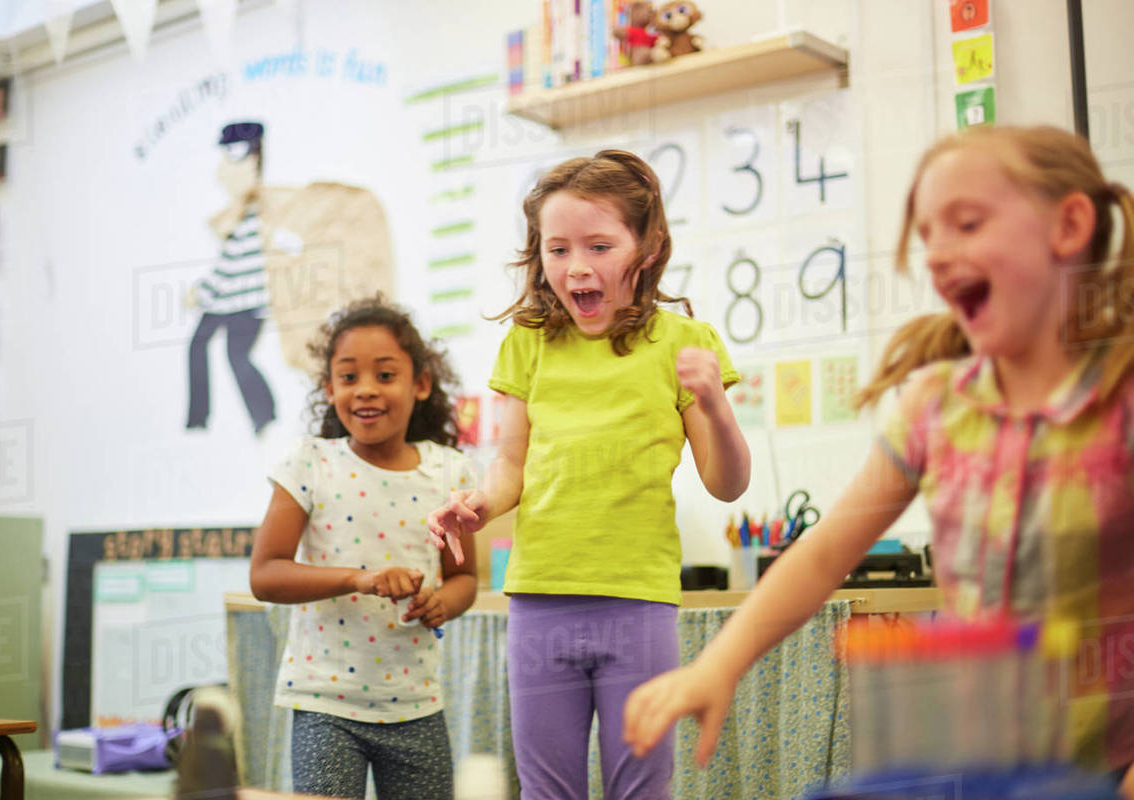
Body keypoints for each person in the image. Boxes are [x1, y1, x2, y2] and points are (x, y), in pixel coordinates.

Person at [622, 125, 1134, 796]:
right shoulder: (937, 407)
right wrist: (717, 665)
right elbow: (820, 554)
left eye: (968, 223)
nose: (939, 254)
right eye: (928, 236)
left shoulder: (1120, 402)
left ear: (1069, 225)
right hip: (987, 767)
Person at [427, 149, 752, 799]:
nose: (576, 268)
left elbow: (728, 483)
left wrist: (715, 405)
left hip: (638, 604)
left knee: (640, 788)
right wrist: (480, 505)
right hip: (540, 598)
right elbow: (511, 465)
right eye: (557, 249)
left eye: (599, 246)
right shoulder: (528, 342)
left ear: (648, 246)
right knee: (549, 792)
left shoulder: (685, 343)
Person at [249, 297, 477, 800]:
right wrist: (359, 578)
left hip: (416, 704)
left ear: (420, 384)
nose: (366, 390)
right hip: (325, 704)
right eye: (349, 377)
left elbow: (464, 578)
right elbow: (265, 574)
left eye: (385, 374)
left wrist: (446, 601)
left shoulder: (449, 472)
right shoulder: (309, 464)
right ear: (329, 389)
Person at [186, 122, 276, 434]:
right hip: (228, 301)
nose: (222, 171)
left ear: (251, 160)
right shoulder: (239, 213)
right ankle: (200, 418)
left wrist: (200, 294)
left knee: (235, 355)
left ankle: (264, 416)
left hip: (243, 303)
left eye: (230, 158)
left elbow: (230, 266)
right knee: (202, 346)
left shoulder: (252, 216)